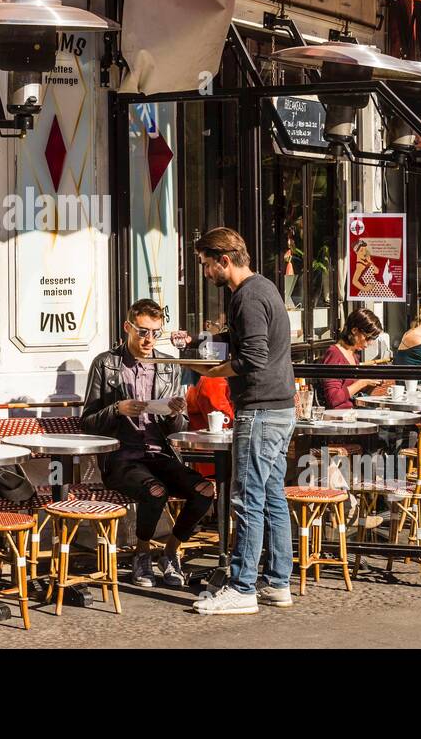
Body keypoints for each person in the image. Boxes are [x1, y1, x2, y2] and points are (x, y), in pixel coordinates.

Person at [189, 227, 297, 615]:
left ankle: (242, 587)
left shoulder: (247, 297)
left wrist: (212, 370)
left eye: (205, 264)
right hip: (281, 407)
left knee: (246, 497)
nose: (205, 273)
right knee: (271, 496)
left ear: (224, 260)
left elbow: (253, 356)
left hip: (261, 409)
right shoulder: (266, 287)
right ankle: (278, 582)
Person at [80, 299, 214, 589]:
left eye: (155, 332)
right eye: (142, 331)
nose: (148, 339)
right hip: (121, 457)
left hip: (159, 454)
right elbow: (87, 421)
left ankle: (169, 553)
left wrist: (176, 413)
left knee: (205, 490)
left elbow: (176, 431)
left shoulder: (167, 366)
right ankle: (142, 554)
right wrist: (117, 409)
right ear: (128, 327)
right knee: (156, 491)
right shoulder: (106, 364)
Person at [320, 309, 392, 410]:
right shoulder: (335, 354)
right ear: (354, 330)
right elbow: (333, 399)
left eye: (373, 339)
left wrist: (372, 382)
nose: (370, 343)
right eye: (367, 338)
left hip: (353, 412)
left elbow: (351, 391)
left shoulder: (353, 355)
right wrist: (362, 382)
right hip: (341, 418)